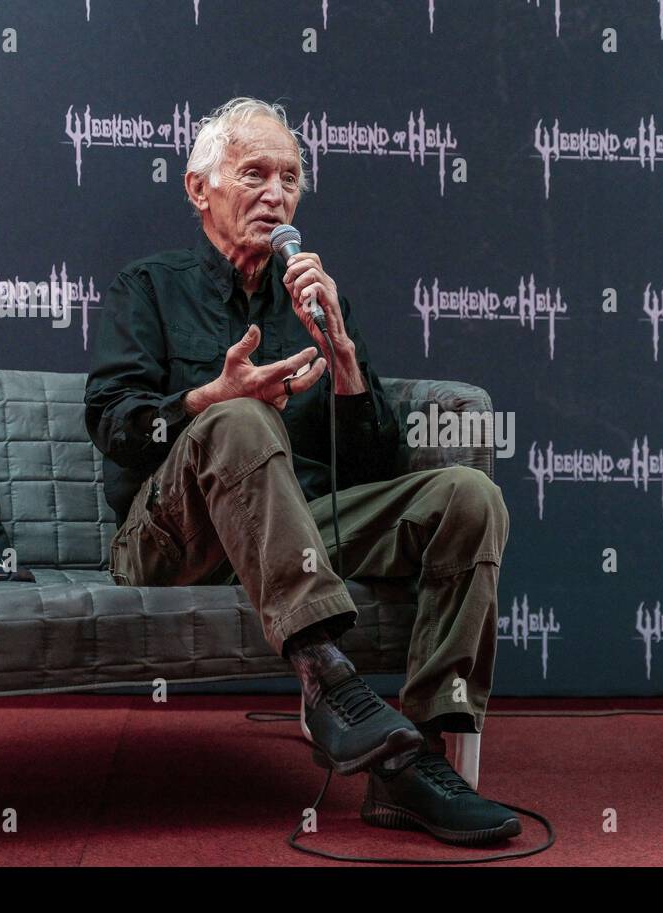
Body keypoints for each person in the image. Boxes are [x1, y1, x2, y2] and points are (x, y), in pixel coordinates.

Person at [84, 96, 520, 846]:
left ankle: (414, 763)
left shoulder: (315, 299)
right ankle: (326, 677)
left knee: (469, 497)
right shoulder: (148, 288)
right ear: (199, 188)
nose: (275, 193)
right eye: (253, 172)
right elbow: (115, 425)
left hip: (299, 534)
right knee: (243, 417)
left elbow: (376, 467)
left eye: (288, 178)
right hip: (175, 545)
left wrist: (345, 357)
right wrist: (210, 398)